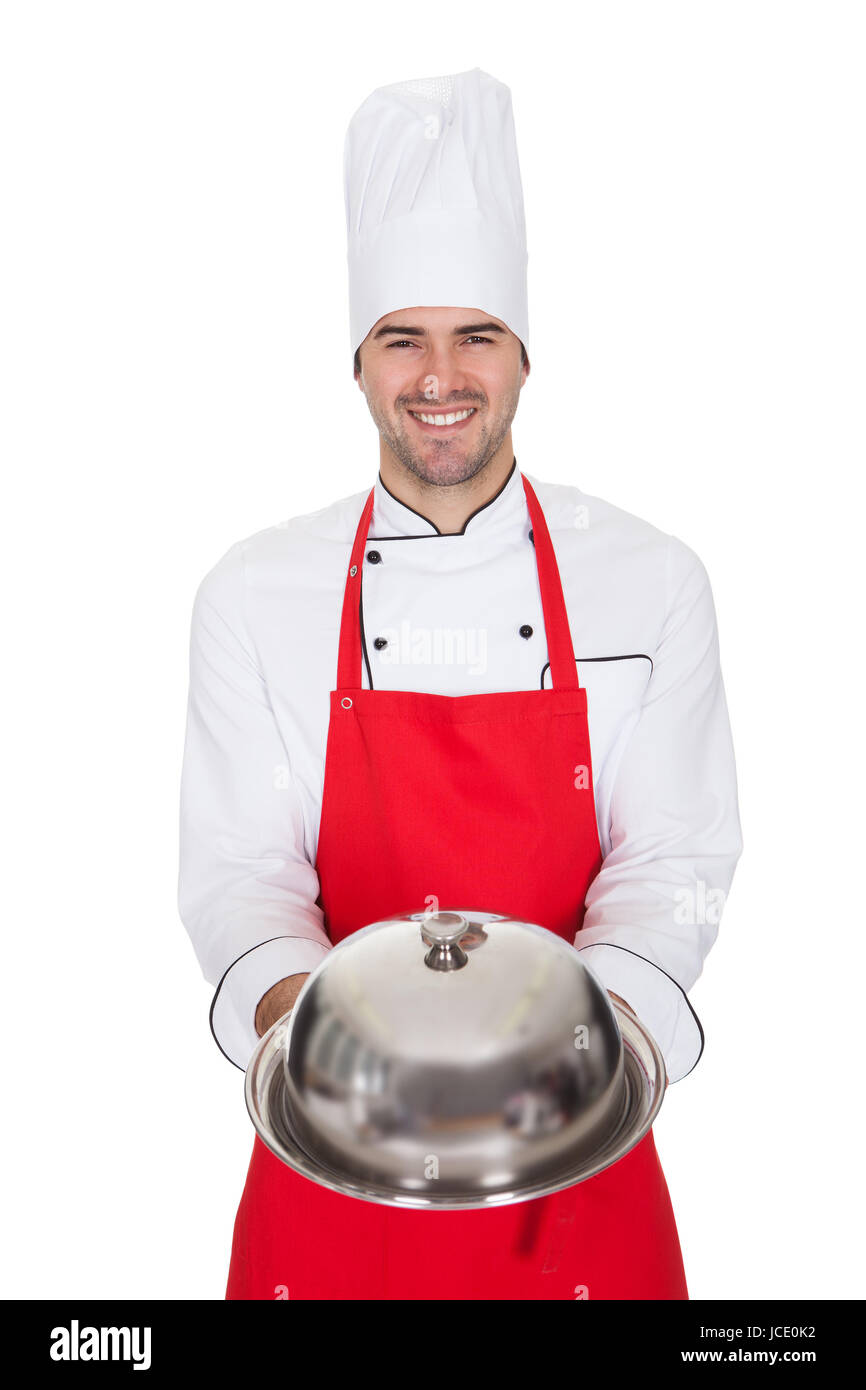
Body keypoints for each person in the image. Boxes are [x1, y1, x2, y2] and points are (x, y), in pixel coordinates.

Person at [178, 67, 743, 1300]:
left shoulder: (650, 579)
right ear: (359, 361)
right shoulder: (253, 592)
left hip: (573, 1159)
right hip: (334, 1152)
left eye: (474, 335)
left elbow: (674, 861)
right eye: (402, 340)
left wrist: (579, 1055)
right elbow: (238, 874)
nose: (439, 377)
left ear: (524, 353)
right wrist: (328, 1045)